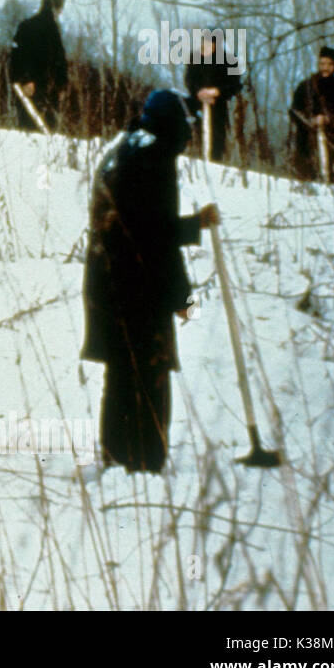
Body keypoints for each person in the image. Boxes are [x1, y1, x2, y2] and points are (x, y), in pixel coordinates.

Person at [81, 90, 220, 473]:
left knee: (120, 370)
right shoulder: (154, 159)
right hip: (138, 288)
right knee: (149, 372)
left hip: (106, 284)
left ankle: (115, 454)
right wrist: (185, 301)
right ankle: (144, 461)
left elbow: (139, 226)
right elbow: (156, 239)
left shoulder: (122, 149)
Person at [290, 46, 334, 181]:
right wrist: (311, 121)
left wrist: (330, 120)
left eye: (329, 64)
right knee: (306, 181)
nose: (325, 67)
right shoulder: (306, 86)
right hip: (307, 142)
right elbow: (294, 111)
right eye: (322, 64)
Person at [9, 0, 68, 131]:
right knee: (38, 129)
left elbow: (16, 57)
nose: (60, 13)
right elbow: (23, 56)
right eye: (60, 9)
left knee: (32, 128)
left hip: (38, 86)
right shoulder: (43, 28)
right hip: (38, 87)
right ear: (55, 8)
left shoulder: (30, 25)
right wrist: (27, 80)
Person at [184, 29, 243, 162]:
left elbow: (235, 85)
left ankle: (214, 165)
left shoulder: (230, 60)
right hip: (196, 103)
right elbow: (189, 79)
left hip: (218, 105)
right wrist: (199, 92)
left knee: (216, 140)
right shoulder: (195, 57)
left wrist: (216, 92)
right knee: (194, 134)